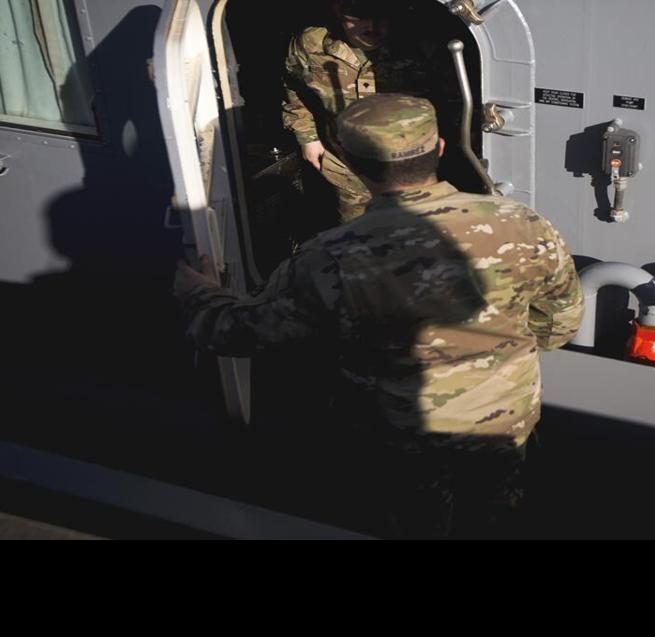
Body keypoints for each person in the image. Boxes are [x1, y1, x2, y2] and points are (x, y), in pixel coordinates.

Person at [175, 95, 585, 538]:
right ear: (441, 148)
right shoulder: (524, 223)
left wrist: (198, 294)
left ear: (349, 162)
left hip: (401, 440)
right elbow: (560, 324)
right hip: (507, 423)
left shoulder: (330, 256)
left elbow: (240, 334)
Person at [283, 0, 443, 224]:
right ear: (338, 11)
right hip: (345, 166)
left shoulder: (422, 46)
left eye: (381, 16)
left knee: (417, 235)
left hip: (411, 169)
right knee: (357, 236)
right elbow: (294, 87)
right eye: (358, 16)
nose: (372, 26)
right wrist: (307, 138)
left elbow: (452, 101)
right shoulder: (311, 46)